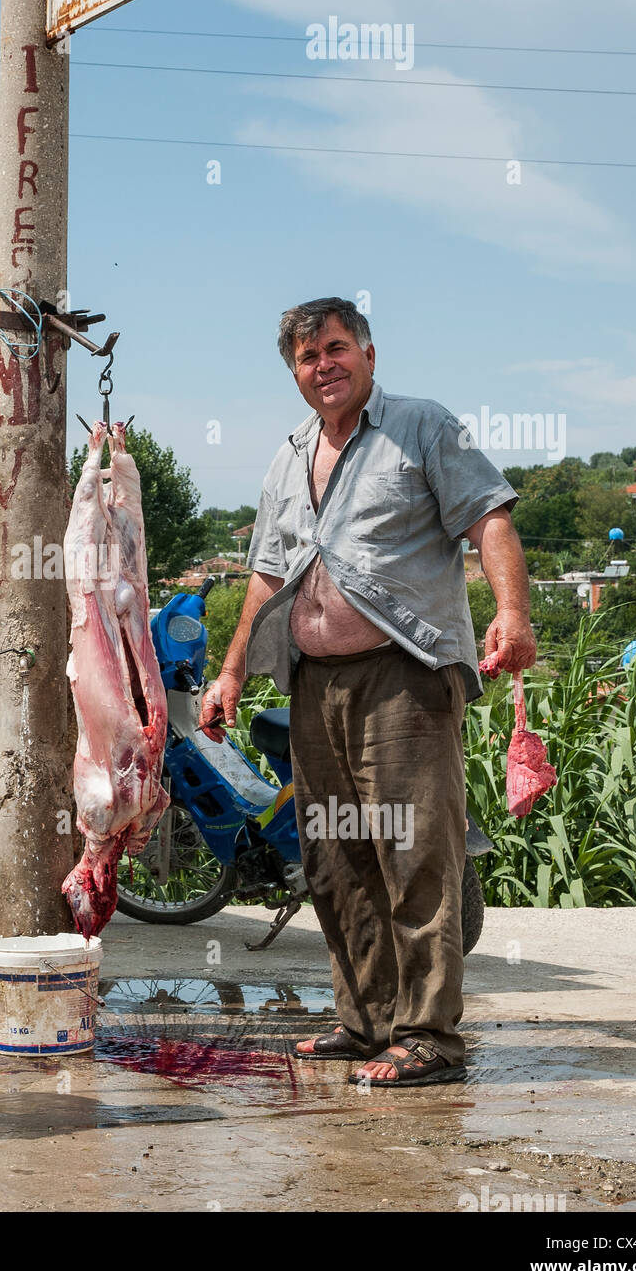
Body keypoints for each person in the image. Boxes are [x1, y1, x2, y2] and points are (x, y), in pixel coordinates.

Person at [199, 298, 535, 1087]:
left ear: (369, 354)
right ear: (294, 373)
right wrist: (233, 669)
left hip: (404, 674)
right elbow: (268, 576)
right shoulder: (288, 457)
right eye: (308, 357)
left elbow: (490, 516)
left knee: (414, 851)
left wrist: (511, 611)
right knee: (336, 856)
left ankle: (428, 1037)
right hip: (313, 682)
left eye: (337, 348)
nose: (325, 366)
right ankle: (365, 1021)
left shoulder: (422, 428)